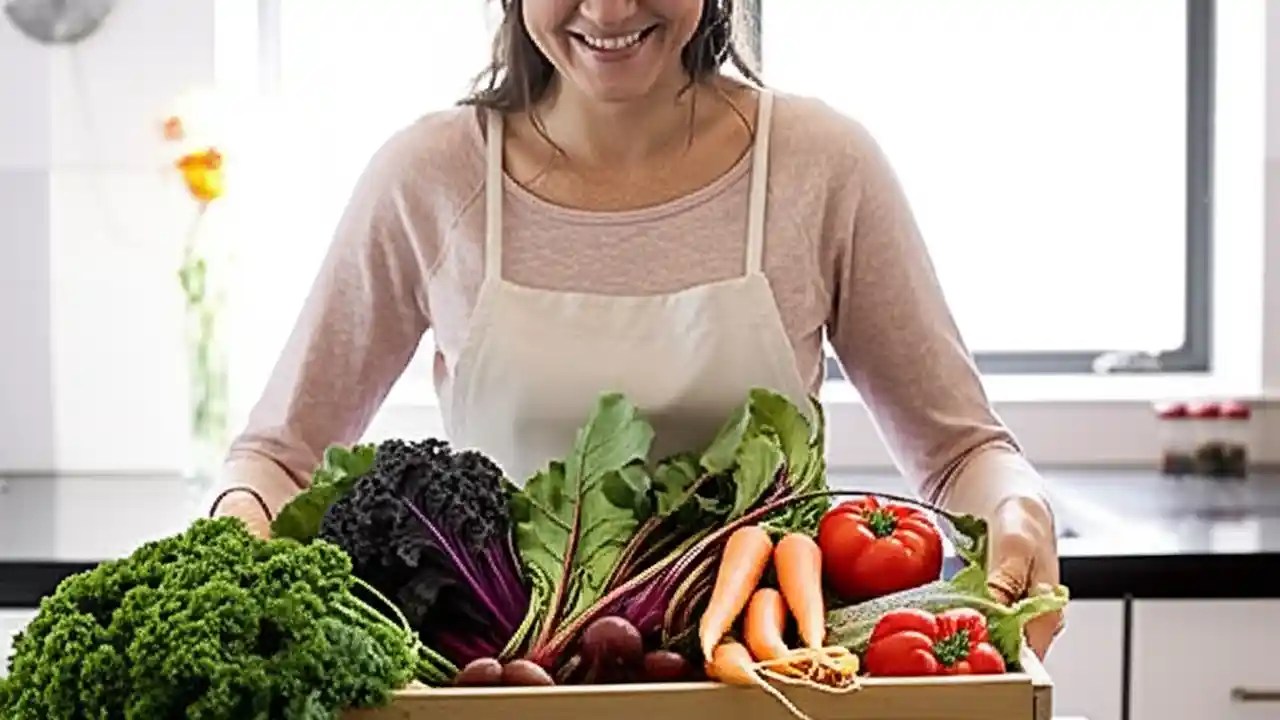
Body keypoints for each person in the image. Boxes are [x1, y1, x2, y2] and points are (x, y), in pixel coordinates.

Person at [209, 0, 1063, 658]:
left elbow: (960, 454)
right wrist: (233, 540)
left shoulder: (819, 164)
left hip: (768, 683)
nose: (611, 10)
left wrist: (1018, 510)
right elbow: (279, 458)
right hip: (505, 685)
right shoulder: (430, 177)